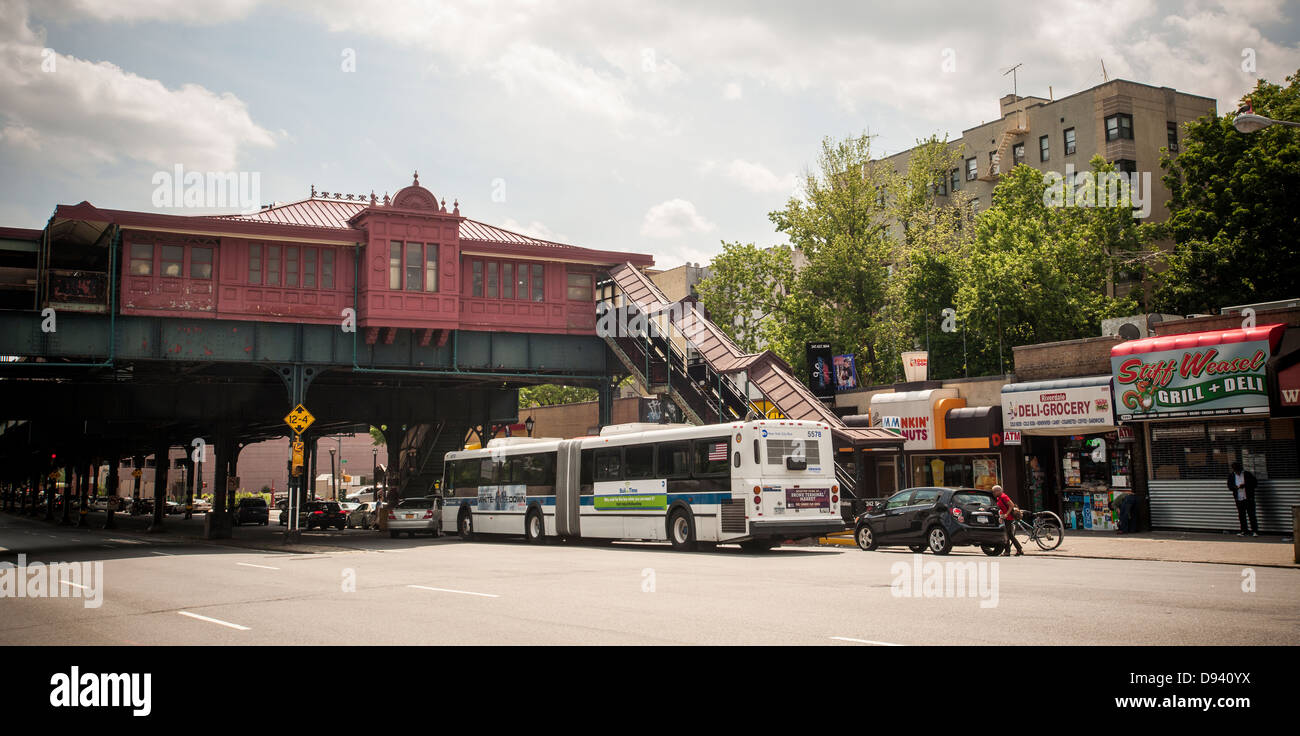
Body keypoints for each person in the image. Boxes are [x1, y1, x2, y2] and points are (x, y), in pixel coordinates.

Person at [1226, 462, 1258, 536]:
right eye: (1235, 471)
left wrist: (1245, 485)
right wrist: (1236, 487)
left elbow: (1255, 483)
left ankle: (1254, 530)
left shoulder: (1247, 474)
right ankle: (1244, 530)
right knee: (1241, 515)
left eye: (1238, 470)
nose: (1237, 472)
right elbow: (1230, 486)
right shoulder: (1231, 476)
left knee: (1251, 515)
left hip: (1248, 497)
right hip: (1239, 498)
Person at [993, 485, 1024, 556]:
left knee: (1006, 535)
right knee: (1009, 535)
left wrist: (1006, 514)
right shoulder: (999, 498)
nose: (993, 493)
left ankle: (1007, 551)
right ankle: (1019, 549)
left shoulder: (1004, 497)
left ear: (998, 491)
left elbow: (1012, 505)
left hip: (1008, 518)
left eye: (994, 491)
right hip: (1005, 518)